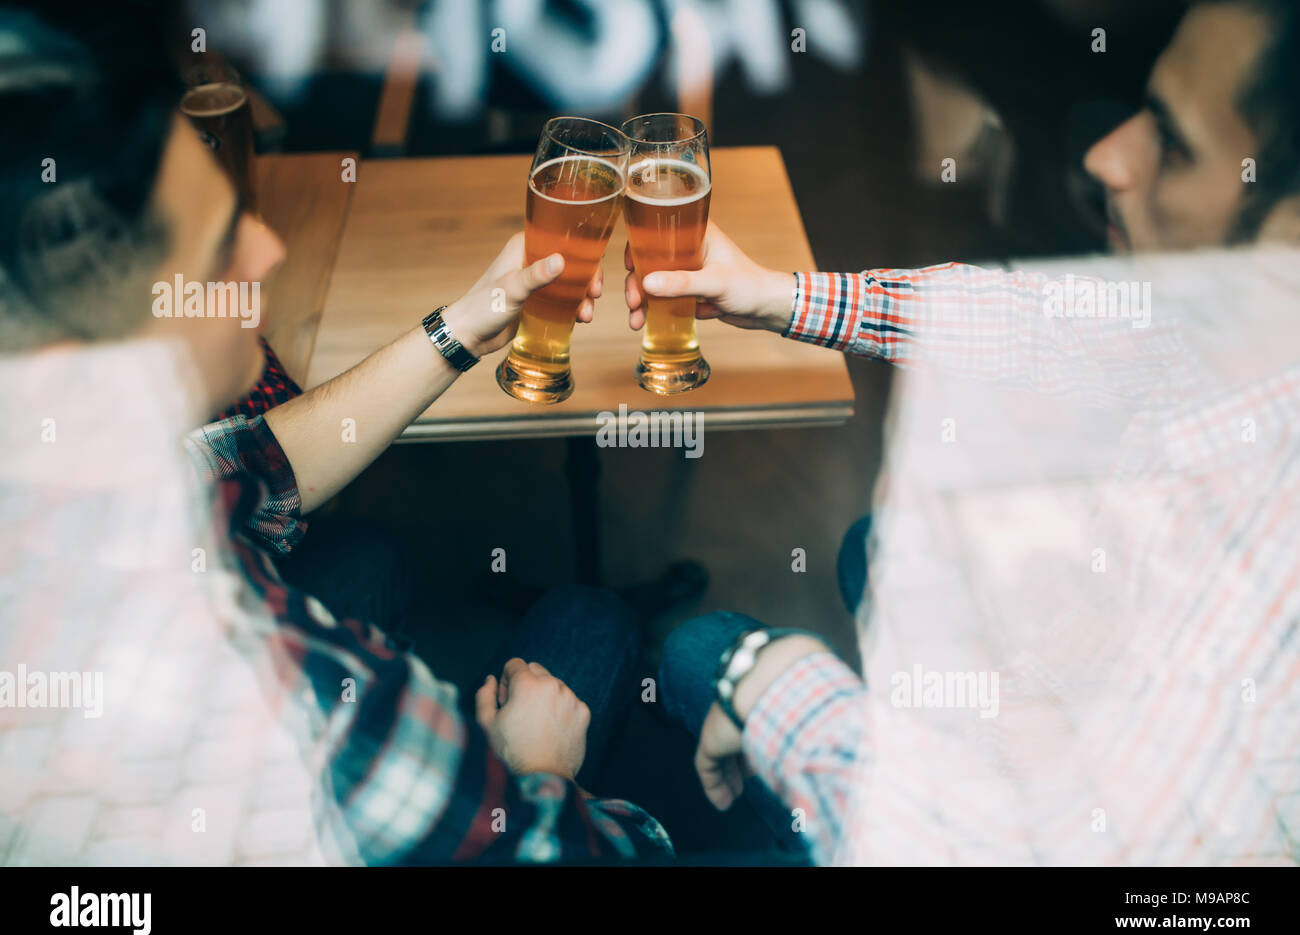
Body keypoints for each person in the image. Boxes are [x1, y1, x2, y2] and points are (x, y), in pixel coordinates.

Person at [631, 0, 1300, 864]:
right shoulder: (1246, 329)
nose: (1108, 155)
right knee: (869, 547)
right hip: (1067, 699)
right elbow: (1058, 324)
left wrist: (767, 676)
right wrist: (778, 294)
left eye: (1171, 142)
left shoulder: (1257, 560)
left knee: (695, 651)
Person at [0, 3, 670, 863]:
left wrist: (465, 323)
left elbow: (242, 469)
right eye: (217, 250)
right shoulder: (291, 698)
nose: (267, 250)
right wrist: (539, 772)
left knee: (368, 558)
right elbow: (599, 852)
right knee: (590, 624)